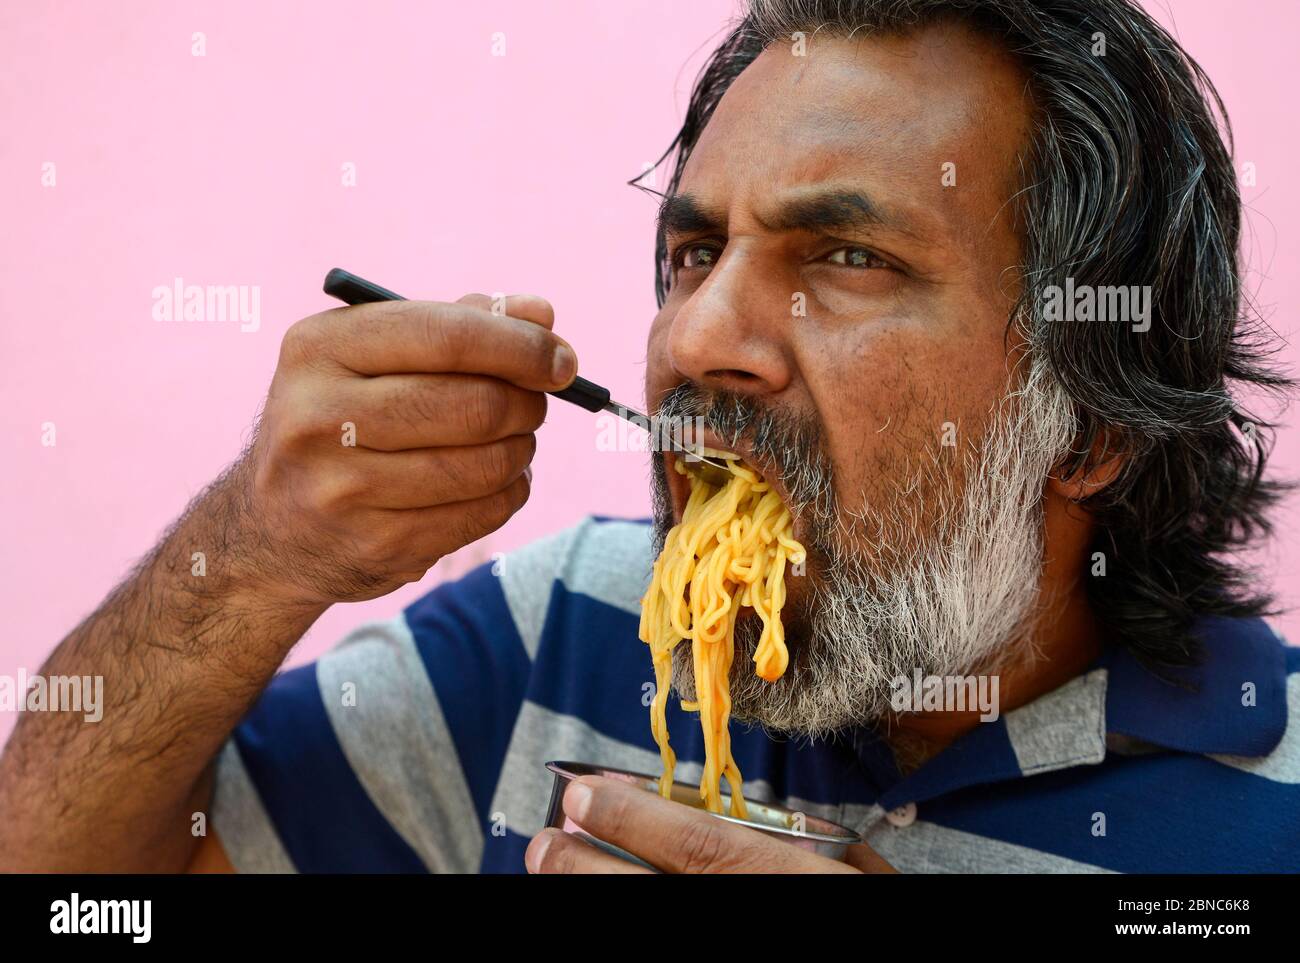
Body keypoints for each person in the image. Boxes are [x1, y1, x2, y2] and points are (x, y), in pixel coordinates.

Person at [1, 0, 1296, 874]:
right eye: (693, 251)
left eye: (846, 257)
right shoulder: (559, 632)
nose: (692, 339)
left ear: (1094, 423)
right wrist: (250, 555)